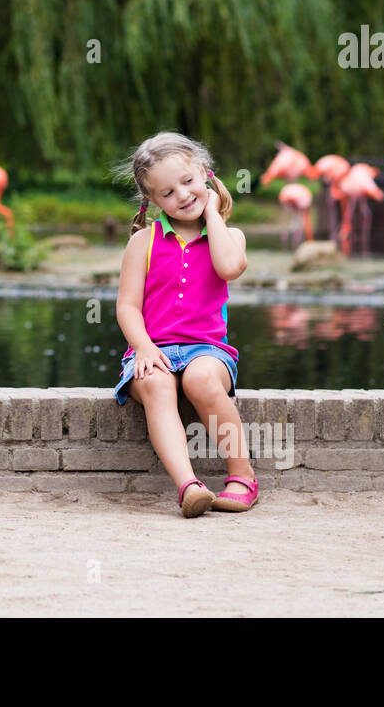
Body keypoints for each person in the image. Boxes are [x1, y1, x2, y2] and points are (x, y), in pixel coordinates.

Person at [112, 132, 256, 517]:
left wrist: (213, 214)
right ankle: (188, 486)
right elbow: (127, 307)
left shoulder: (230, 237)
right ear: (154, 201)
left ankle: (242, 476)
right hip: (152, 348)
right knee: (157, 384)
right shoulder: (143, 242)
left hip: (207, 350)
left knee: (200, 380)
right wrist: (143, 347)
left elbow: (229, 268)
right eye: (168, 192)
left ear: (205, 174)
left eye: (189, 182)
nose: (183, 195)